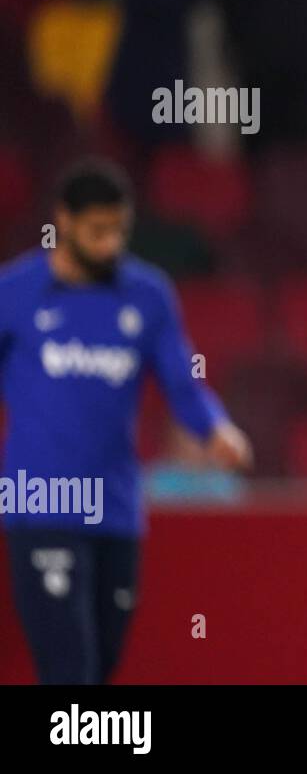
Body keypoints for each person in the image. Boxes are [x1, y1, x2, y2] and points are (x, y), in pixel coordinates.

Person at [0, 159, 252, 683]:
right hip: (41, 500)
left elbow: (182, 381)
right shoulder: (15, 292)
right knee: (70, 671)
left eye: (118, 230)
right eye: (97, 231)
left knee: (103, 666)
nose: (110, 243)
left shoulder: (148, 294)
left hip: (115, 507)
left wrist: (215, 428)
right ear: (63, 222)